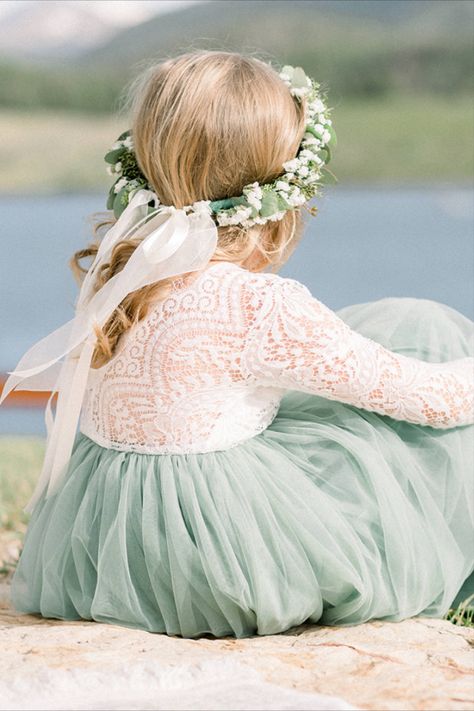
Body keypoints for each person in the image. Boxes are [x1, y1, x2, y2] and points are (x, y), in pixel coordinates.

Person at [2, 51, 473, 640]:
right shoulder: (255, 305)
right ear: (283, 194)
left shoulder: (123, 276)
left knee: (400, 327)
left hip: (105, 543)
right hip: (218, 561)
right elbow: (434, 400)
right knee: (430, 353)